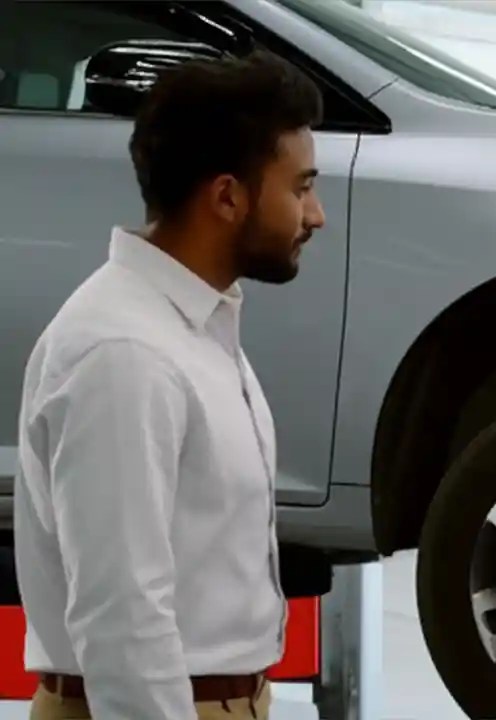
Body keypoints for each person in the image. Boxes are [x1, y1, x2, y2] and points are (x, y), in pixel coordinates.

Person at [13, 50, 326, 720]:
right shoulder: (125, 352)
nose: (316, 214)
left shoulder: (190, 326)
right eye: (300, 188)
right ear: (227, 196)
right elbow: (122, 615)